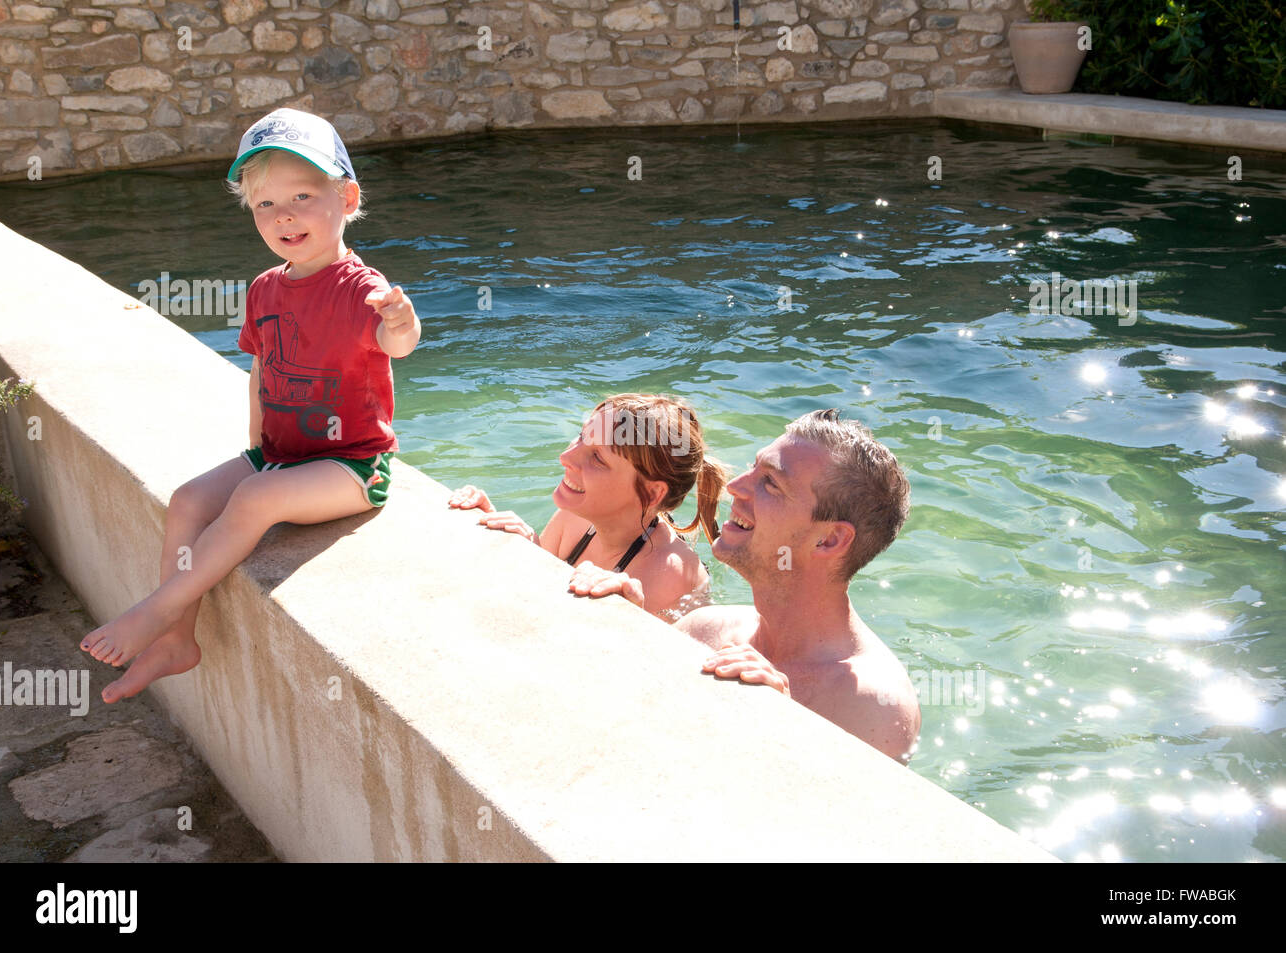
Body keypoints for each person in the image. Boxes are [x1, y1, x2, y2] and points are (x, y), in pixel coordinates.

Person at [80, 108, 421, 703]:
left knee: (255, 498)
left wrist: (403, 319)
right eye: (266, 204)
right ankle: (179, 640)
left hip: (351, 467)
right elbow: (262, 371)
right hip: (282, 455)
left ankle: (155, 612)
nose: (284, 215)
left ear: (347, 197)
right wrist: (258, 447)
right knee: (189, 501)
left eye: (303, 196)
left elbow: (396, 344)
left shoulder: (358, 285)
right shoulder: (265, 288)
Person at [675, 410, 920, 761]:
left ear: (830, 540)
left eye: (771, 483)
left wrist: (786, 728)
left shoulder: (873, 710)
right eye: (753, 468)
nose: (734, 487)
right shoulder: (702, 629)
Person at [448, 394, 727, 619]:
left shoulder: (672, 573)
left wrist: (630, 614)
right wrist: (521, 543)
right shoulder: (573, 520)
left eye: (597, 458)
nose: (566, 457)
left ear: (652, 493)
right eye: (581, 437)